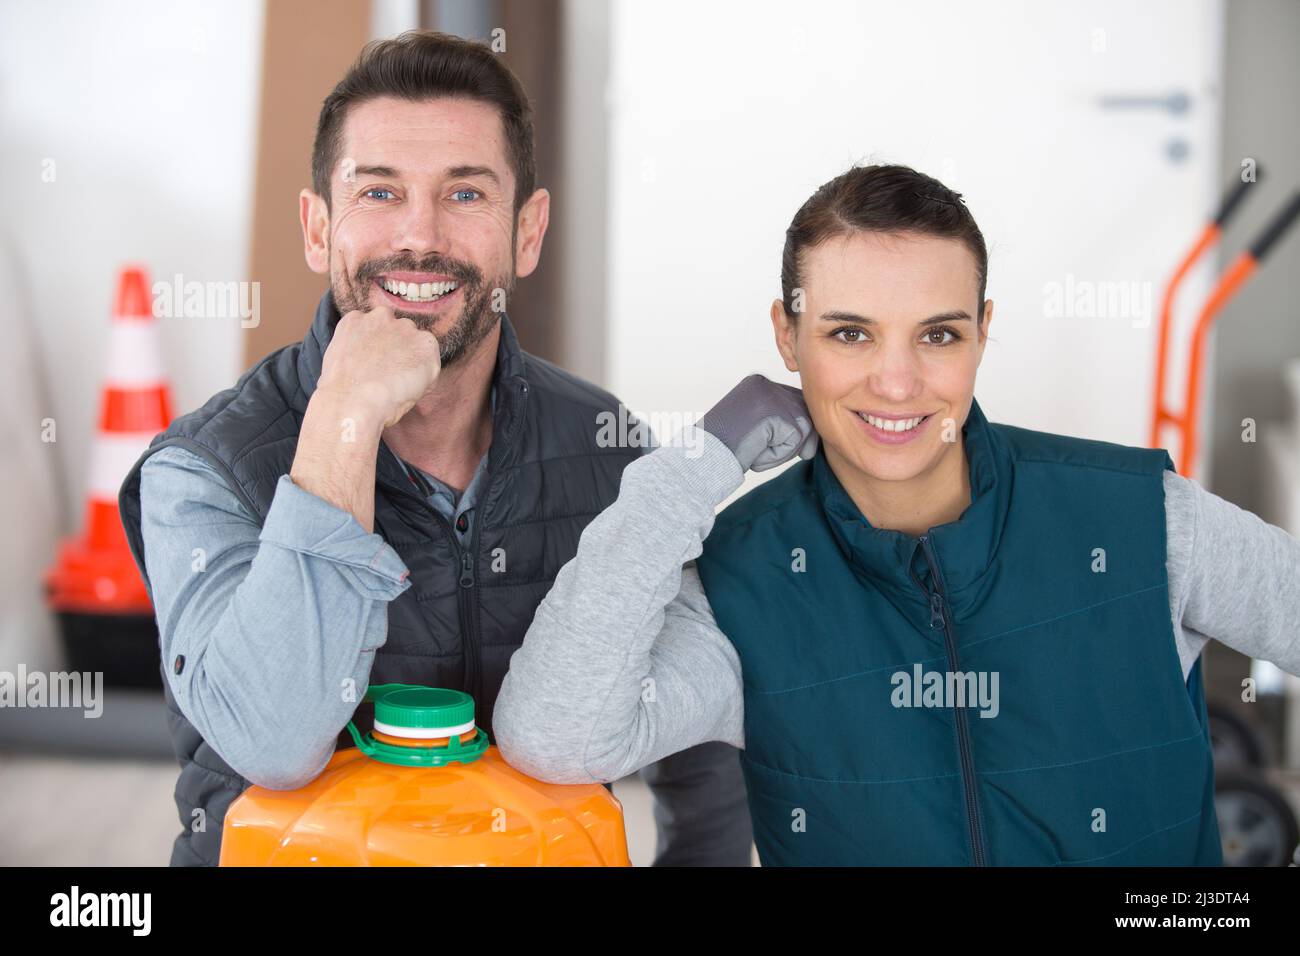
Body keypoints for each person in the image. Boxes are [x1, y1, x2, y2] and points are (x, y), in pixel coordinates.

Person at [493, 163, 1300, 865]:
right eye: (850, 334)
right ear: (787, 336)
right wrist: (697, 464)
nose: (896, 382)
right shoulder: (745, 588)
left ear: (982, 333)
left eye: (937, 336)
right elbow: (557, 736)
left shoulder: (1143, 522)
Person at [117, 30, 752, 867]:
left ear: (527, 232)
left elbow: (700, 755)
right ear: (318, 228)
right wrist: (345, 417)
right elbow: (272, 737)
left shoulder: (607, 449)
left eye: (465, 193)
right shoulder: (203, 471)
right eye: (379, 192)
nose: (420, 237)